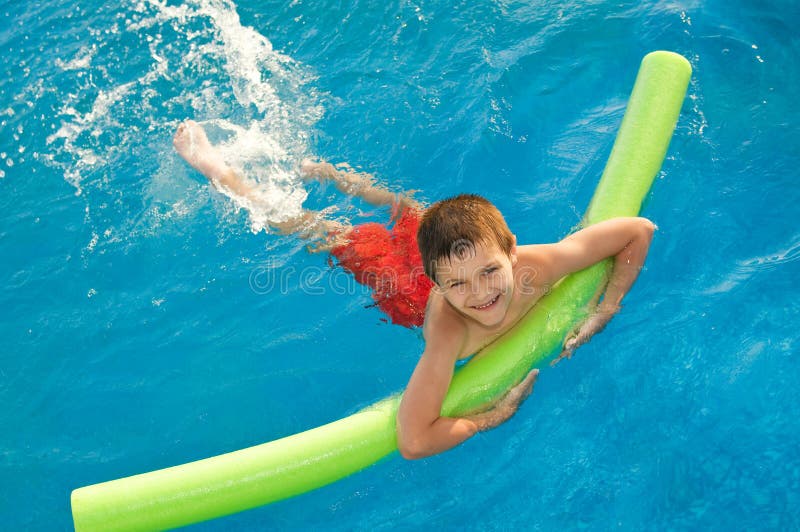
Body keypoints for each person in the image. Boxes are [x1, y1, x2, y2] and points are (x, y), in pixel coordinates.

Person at [173, 119, 656, 460]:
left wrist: (607, 307)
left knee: (415, 212)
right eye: (460, 286)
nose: (483, 294)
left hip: (437, 261)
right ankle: (220, 171)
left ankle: (338, 177)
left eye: (491, 270)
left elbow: (639, 230)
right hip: (403, 289)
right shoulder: (449, 333)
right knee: (318, 230)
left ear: (511, 250)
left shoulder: (535, 266)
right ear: (441, 285)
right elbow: (414, 441)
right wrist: (487, 419)